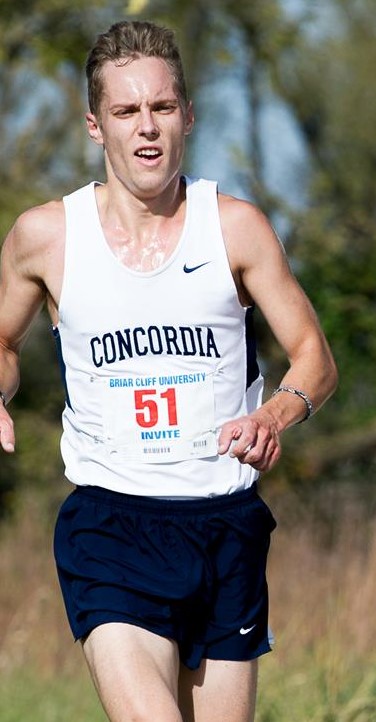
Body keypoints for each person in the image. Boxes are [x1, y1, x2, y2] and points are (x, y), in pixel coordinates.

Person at [0, 20, 337, 722]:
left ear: (188, 115)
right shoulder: (47, 236)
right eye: (126, 111)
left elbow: (314, 355)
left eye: (160, 108)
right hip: (111, 525)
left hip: (226, 525)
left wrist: (274, 415)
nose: (146, 128)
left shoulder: (236, 227)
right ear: (96, 125)